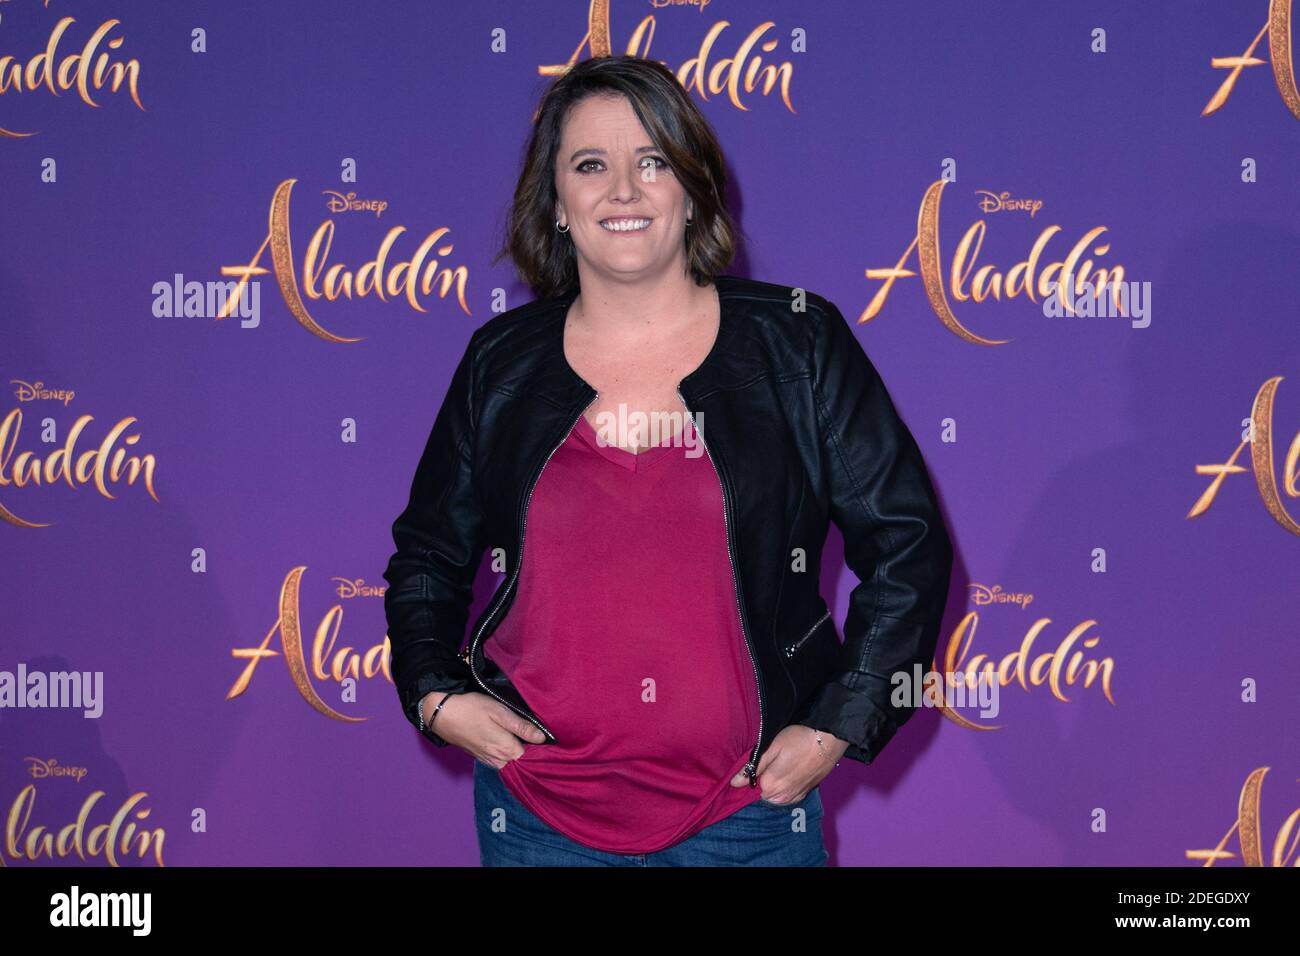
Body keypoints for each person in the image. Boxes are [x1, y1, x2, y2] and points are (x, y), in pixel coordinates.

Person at [382, 55, 953, 867]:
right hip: (537, 818)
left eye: (652, 162)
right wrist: (436, 695)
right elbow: (428, 555)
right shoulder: (500, 364)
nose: (623, 190)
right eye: (591, 166)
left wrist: (839, 722)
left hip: (748, 818)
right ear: (555, 205)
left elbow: (909, 546)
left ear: (692, 190)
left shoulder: (797, 342)